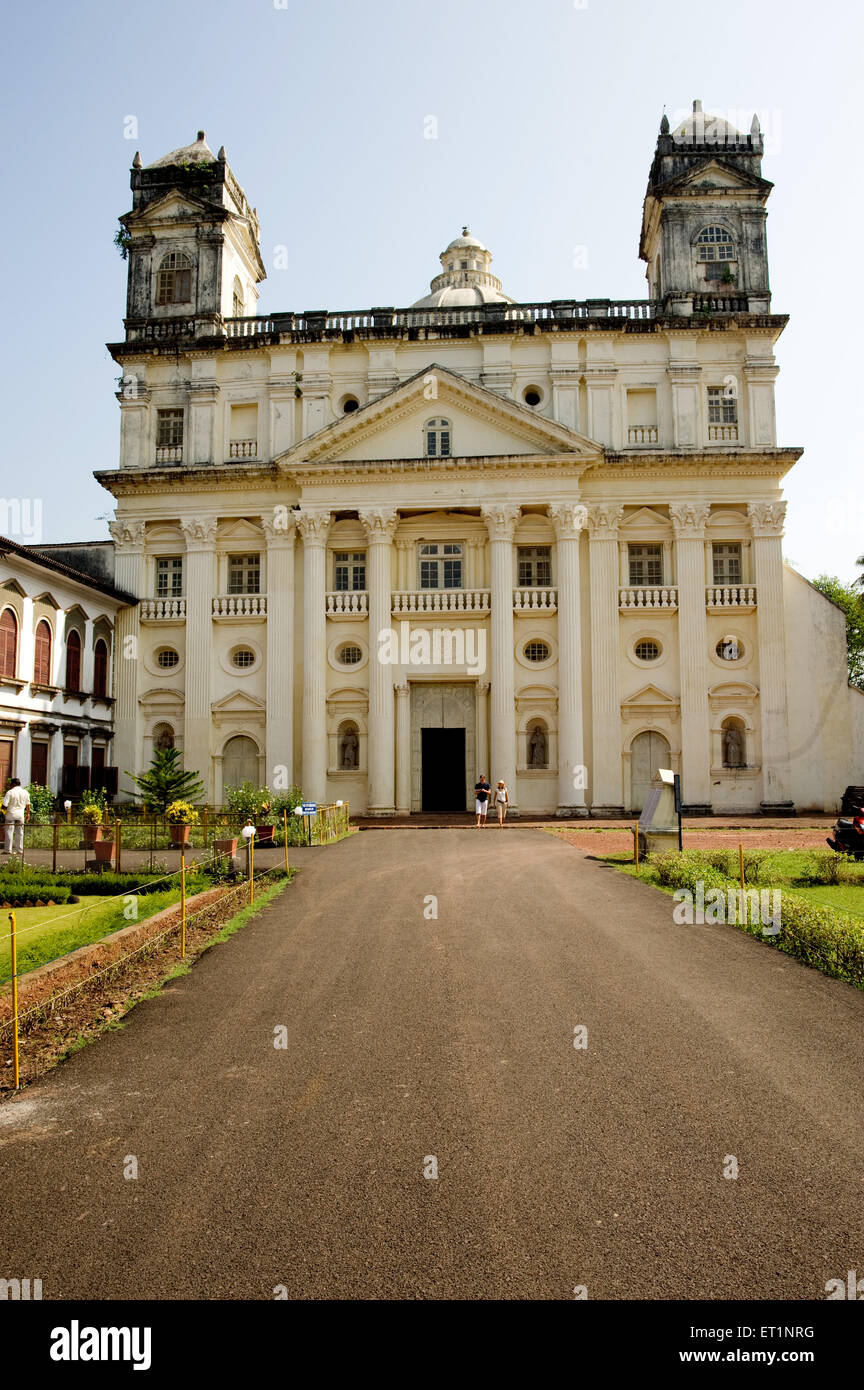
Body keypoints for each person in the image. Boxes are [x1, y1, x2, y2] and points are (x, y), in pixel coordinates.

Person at [2, 778, 31, 857]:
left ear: (13, 784)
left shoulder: (10, 792)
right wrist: (27, 814)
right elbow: (28, 805)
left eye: (11, 784)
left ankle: (8, 850)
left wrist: (3, 812)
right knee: (20, 833)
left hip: (10, 815)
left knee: (9, 832)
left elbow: (4, 805)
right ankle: (19, 850)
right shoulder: (25, 792)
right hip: (20, 815)